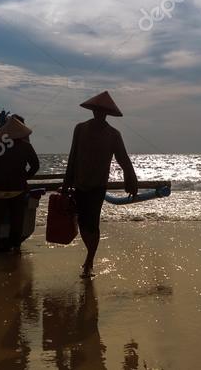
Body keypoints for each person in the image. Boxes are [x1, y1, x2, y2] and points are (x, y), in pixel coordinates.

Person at [63, 91, 138, 278]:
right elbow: (73, 157)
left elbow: (124, 160)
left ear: (106, 114)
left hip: (98, 186)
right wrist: (66, 184)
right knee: (82, 222)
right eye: (97, 110)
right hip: (79, 184)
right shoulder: (79, 129)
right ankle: (89, 256)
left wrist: (131, 180)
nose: (99, 114)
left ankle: (89, 260)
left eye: (102, 111)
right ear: (93, 111)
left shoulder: (113, 134)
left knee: (93, 224)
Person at [0, 114, 40, 253]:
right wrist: (24, 177)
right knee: (17, 220)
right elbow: (35, 166)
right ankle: (15, 247)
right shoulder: (26, 146)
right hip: (18, 188)